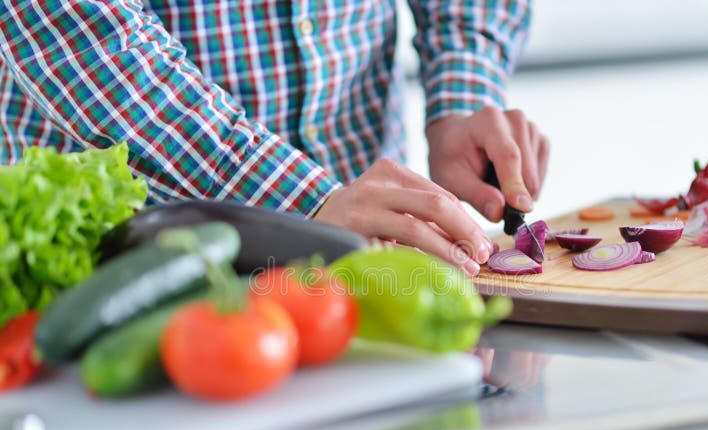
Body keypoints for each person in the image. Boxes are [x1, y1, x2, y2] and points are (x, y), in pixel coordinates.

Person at [0, 1, 548, 276]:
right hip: (126, 275)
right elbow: (84, 35)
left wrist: (460, 93)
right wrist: (302, 204)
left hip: (379, 263)